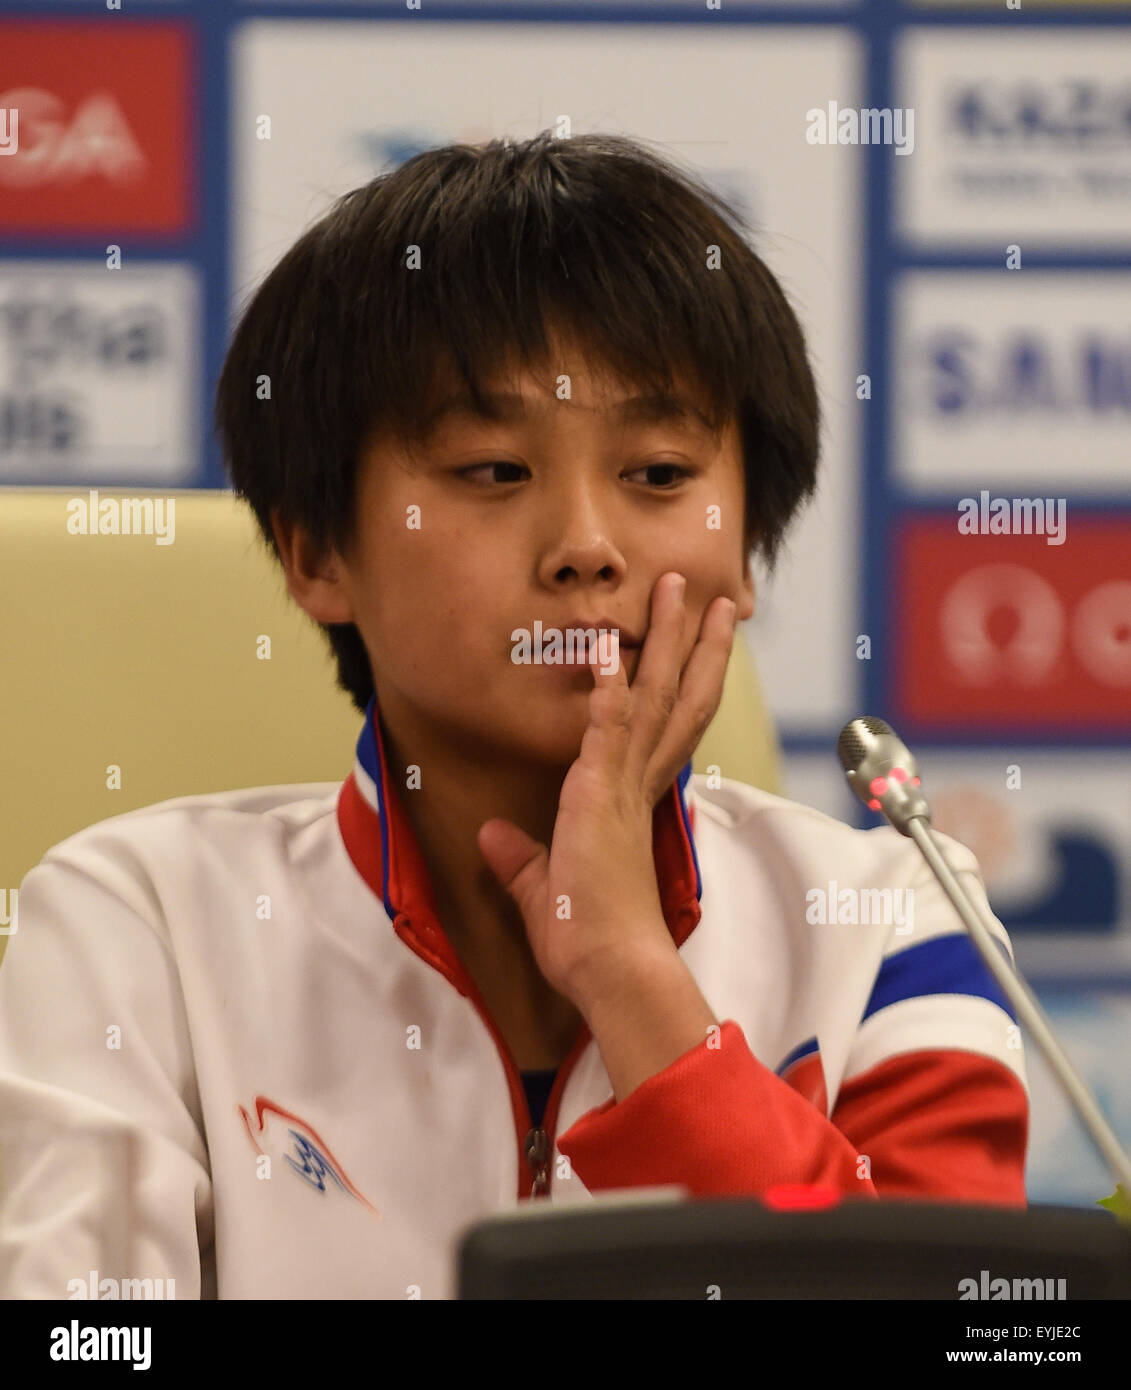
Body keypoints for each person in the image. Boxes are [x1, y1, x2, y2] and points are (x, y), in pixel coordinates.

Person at [0, 131, 1027, 1300]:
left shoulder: (893, 921)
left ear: (742, 548)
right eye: (493, 471)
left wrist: (639, 985)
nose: (588, 547)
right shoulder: (137, 923)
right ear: (316, 553)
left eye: (657, 475)